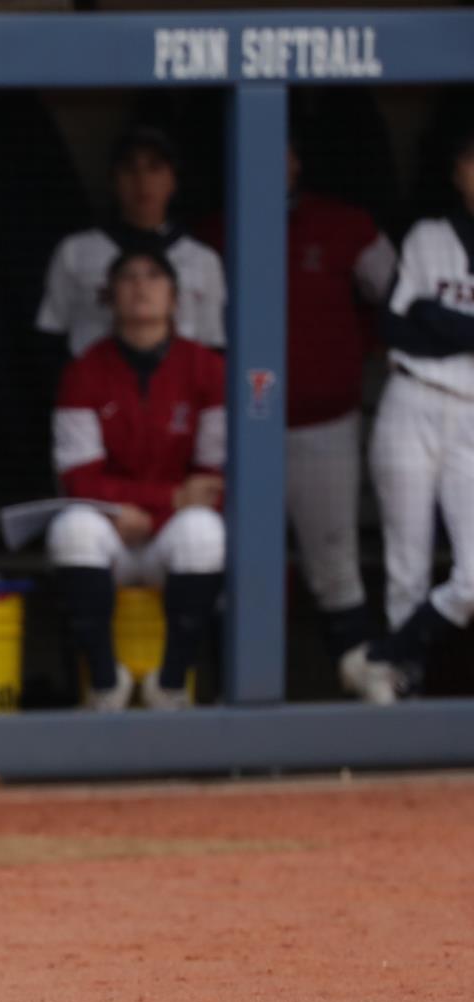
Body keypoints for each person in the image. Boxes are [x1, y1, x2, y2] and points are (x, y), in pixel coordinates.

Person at [196, 133, 395, 670]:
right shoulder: (212, 233)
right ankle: (231, 719)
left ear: (296, 160)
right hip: (237, 431)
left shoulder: (347, 226)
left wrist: (360, 346)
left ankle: (362, 706)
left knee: (334, 564)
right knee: (229, 566)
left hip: (324, 424)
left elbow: (399, 302)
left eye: (279, 152)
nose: (268, 163)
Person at [47, 243, 226, 710]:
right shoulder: (84, 371)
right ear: (109, 297)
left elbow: (212, 478)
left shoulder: (207, 369)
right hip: (114, 529)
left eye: (153, 276)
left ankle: (171, 683)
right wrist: (167, 497)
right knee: (72, 529)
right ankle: (106, 683)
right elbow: (80, 477)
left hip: (173, 533)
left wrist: (160, 506)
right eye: (128, 277)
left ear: (175, 298)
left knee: (205, 533)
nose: (141, 286)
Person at [342, 126, 474, 704]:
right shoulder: (427, 235)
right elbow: (394, 325)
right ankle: (401, 690)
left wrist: (436, 318)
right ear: (457, 171)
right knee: (407, 566)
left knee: (472, 578)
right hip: (412, 399)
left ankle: (383, 655)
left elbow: (420, 319)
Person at [37, 126, 227, 359]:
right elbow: (51, 335)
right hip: (95, 387)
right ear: (113, 180)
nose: (142, 180)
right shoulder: (76, 251)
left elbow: (212, 345)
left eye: (154, 168)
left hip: (176, 390)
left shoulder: (202, 259)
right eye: (129, 169)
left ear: (173, 180)